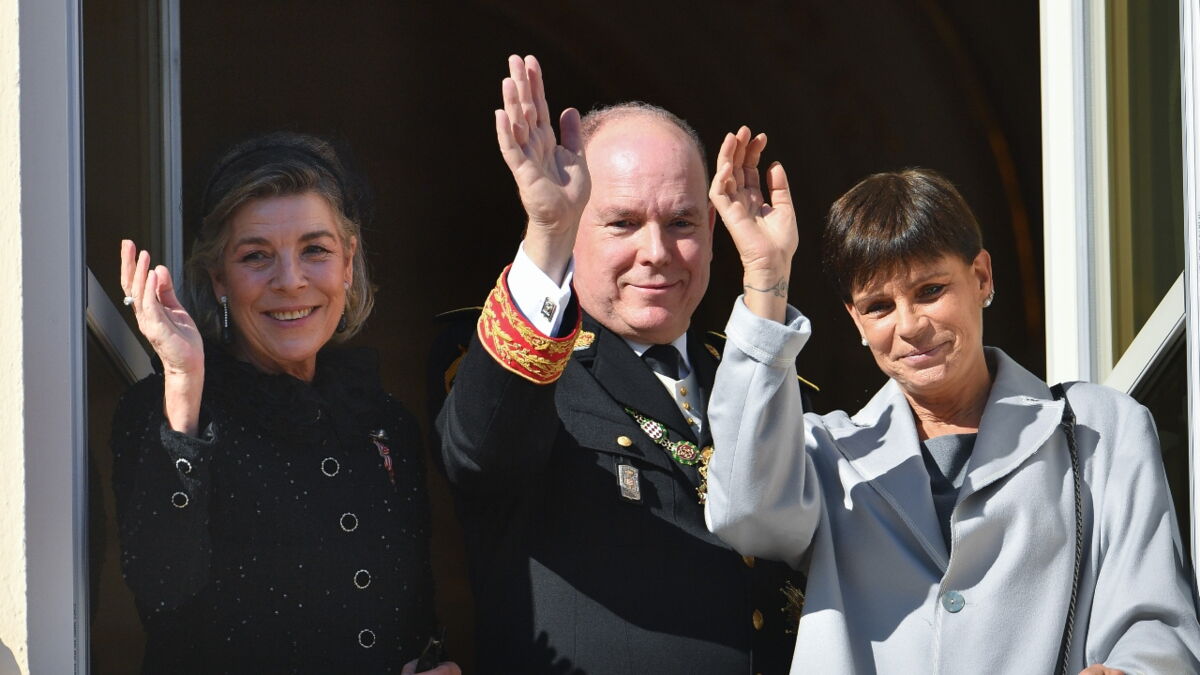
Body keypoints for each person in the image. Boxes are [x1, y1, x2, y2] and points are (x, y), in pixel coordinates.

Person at [703, 153, 1200, 673]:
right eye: (878, 306)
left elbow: (1156, 626)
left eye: (930, 291)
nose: (910, 324)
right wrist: (766, 275)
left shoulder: (1101, 427)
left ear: (981, 277)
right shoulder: (826, 454)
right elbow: (744, 515)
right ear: (855, 320)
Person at [432, 55, 810, 674]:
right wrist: (547, 233)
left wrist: (768, 280)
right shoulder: (521, 363)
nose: (656, 253)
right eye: (622, 223)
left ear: (714, 231)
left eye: (682, 222)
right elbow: (479, 451)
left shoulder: (752, 371)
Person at [112, 132, 459, 674]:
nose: (290, 281)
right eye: (256, 256)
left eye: (315, 250)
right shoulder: (166, 410)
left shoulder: (385, 421)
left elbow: (409, 614)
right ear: (219, 280)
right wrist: (182, 379)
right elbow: (161, 589)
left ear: (348, 263)